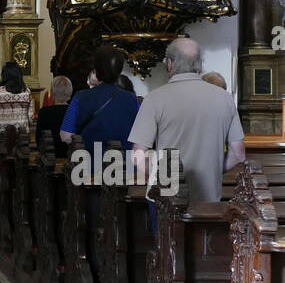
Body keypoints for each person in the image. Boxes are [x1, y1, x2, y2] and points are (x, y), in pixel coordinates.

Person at [130, 37, 246, 204]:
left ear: (170, 63)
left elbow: (138, 156)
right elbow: (238, 154)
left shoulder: (154, 99)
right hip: (208, 200)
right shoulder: (225, 98)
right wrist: (211, 171)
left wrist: (161, 176)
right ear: (199, 64)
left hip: (167, 200)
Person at [59, 45, 139, 153]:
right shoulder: (132, 99)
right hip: (124, 161)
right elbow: (142, 134)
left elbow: (65, 135)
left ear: (96, 70)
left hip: (90, 161)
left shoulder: (80, 97)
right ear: (119, 71)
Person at [0, 61, 35, 132]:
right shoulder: (26, 92)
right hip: (22, 132)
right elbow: (30, 117)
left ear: (4, 75)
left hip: (2, 131)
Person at [36, 75, 74, 155]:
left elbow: (38, 139)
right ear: (70, 92)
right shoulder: (75, 112)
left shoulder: (44, 112)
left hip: (49, 155)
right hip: (71, 155)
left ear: (52, 93)